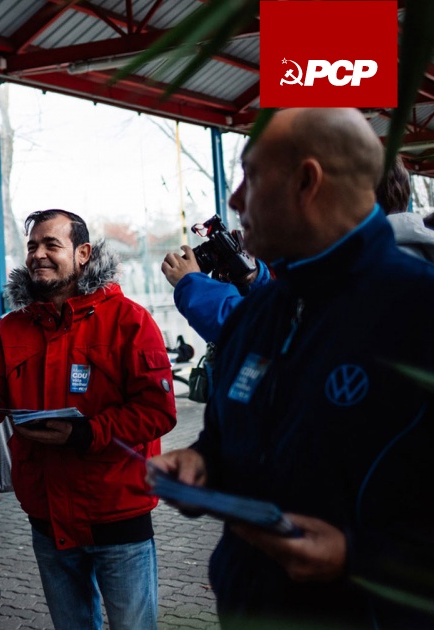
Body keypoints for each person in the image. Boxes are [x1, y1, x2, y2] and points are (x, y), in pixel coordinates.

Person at [151, 108, 434, 629]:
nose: (235, 201)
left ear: (307, 181)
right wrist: (200, 462)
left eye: (251, 177)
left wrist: (357, 556)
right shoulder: (257, 313)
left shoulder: (417, 313)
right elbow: (226, 438)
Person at [0, 209, 177, 630]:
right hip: (48, 518)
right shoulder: (16, 328)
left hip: (117, 515)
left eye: (51, 244)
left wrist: (88, 432)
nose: (37, 254)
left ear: (83, 252)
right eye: (32, 245)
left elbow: (156, 411)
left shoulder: (129, 320)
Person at [162, 156, 416, 343]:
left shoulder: (370, 277)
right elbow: (292, 309)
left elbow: (261, 334)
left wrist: (191, 283)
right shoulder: (397, 262)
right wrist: (253, 277)